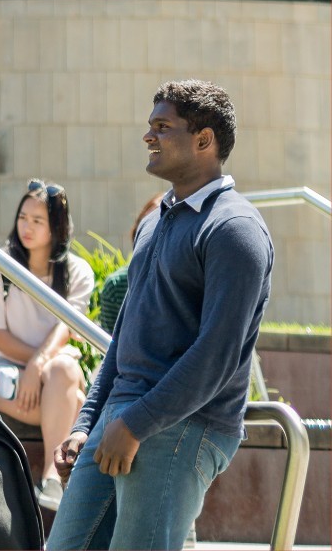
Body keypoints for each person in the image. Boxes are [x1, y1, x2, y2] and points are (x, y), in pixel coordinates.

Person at [48, 80, 273, 550]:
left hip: (182, 424)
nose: (148, 137)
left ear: (204, 140)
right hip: (120, 419)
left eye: (162, 127)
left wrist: (136, 424)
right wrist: (86, 423)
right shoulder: (154, 221)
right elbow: (126, 336)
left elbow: (217, 354)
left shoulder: (235, 228)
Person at [0, 179, 94, 511]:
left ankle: (51, 476)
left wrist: (38, 366)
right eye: (23, 217)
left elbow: (68, 325)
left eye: (38, 221)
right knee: (74, 398)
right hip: (2, 371)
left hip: (54, 369)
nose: (27, 227)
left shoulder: (78, 271)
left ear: (57, 227)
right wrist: (33, 368)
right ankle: (58, 480)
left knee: (63, 367)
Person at [96, 193, 163, 333]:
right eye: (148, 226)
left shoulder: (193, 281)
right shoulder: (117, 285)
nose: (154, 235)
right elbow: (109, 347)